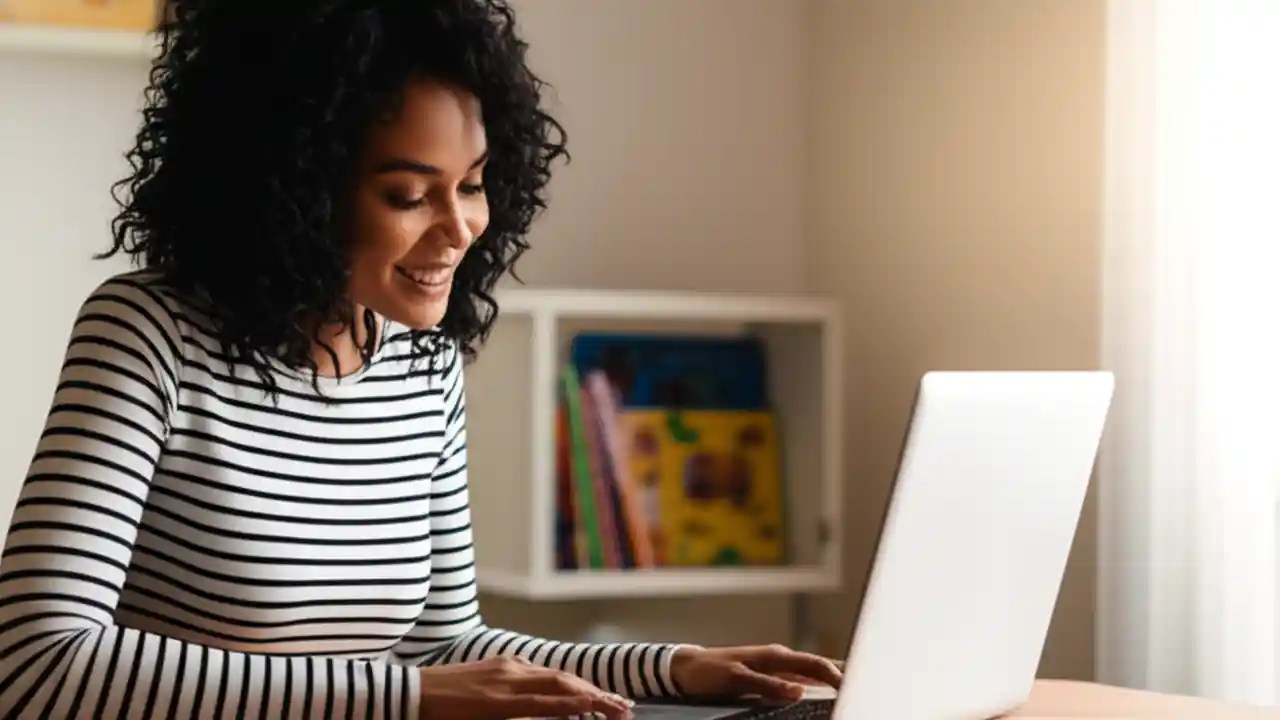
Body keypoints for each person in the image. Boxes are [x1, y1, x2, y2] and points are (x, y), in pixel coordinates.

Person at [0, 1, 842, 718]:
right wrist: (402, 699)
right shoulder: (148, 332)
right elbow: (35, 664)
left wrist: (674, 668)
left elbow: (447, 643)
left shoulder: (418, 364)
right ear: (291, 186)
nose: (461, 226)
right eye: (408, 195)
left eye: (472, 183)